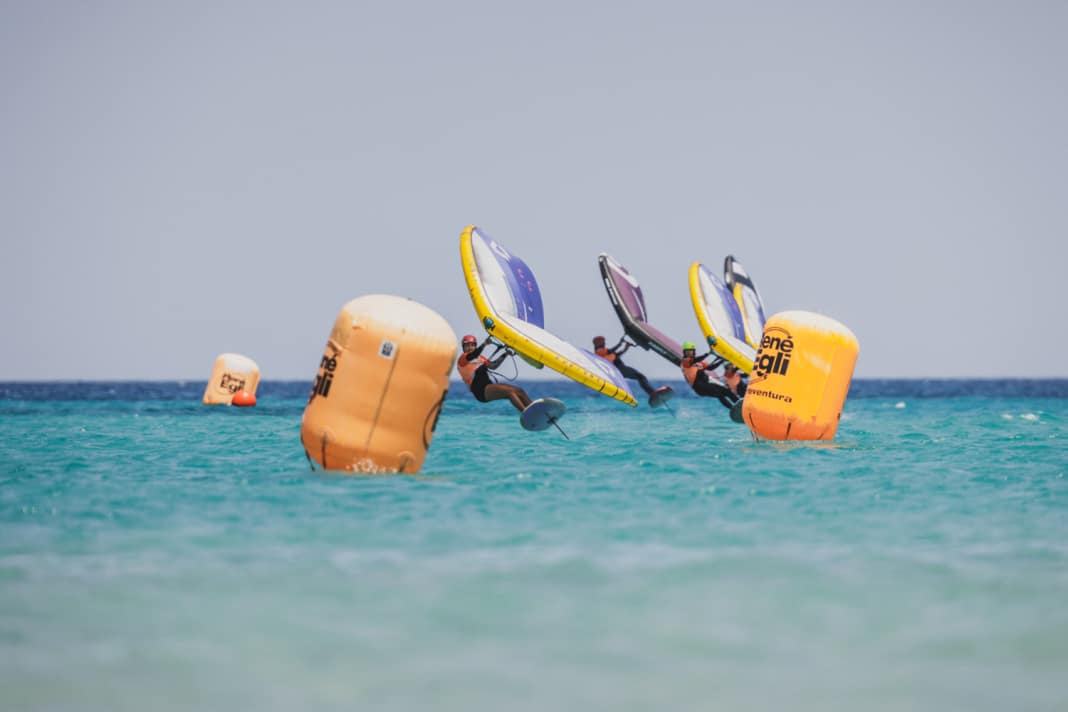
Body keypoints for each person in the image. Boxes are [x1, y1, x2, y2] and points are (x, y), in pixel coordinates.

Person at [457, 334, 532, 413]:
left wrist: (505, 354)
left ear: (475, 346)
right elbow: (473, 355)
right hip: (479, 390)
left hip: (488, 385)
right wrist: (484, 344)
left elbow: (493, 366)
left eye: (472, 345)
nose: (470, 348)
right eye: (467, 345)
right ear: (463, 347)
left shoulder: (480, 358)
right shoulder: (463, 359)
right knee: (509, 392)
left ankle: (536, 409)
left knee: (519, 391)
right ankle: (526, 413)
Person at [680, 341, 738, 409]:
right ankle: (732, 408)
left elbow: (711, 367)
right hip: (699, 386)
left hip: (706, 383)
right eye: (687, 351)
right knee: (720, 393)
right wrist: (707, 354)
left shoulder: (699, 363)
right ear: (684, 353)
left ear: (694, 351)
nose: (689, 353)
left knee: (727, 391)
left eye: (691, 351)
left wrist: (722, 360)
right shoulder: (684, 362)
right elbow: (695, 360)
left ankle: (739, 405)